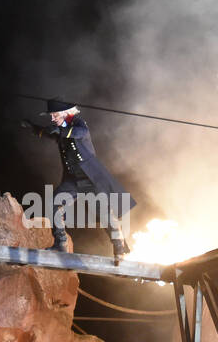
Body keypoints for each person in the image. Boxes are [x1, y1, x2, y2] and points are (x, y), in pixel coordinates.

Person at [21, 99, 136, 261]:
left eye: (55, 115)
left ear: (66, 113)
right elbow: (49, 132)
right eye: (52, 116)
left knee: (104, 213)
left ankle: (119, 246)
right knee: (53, 204)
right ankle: (61, 243)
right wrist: (34, 128)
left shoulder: (78, 123)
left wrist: (61, 130)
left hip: (90, 178)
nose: (52, 118)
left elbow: (78, 133)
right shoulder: (60, 128)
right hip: (73, 180)